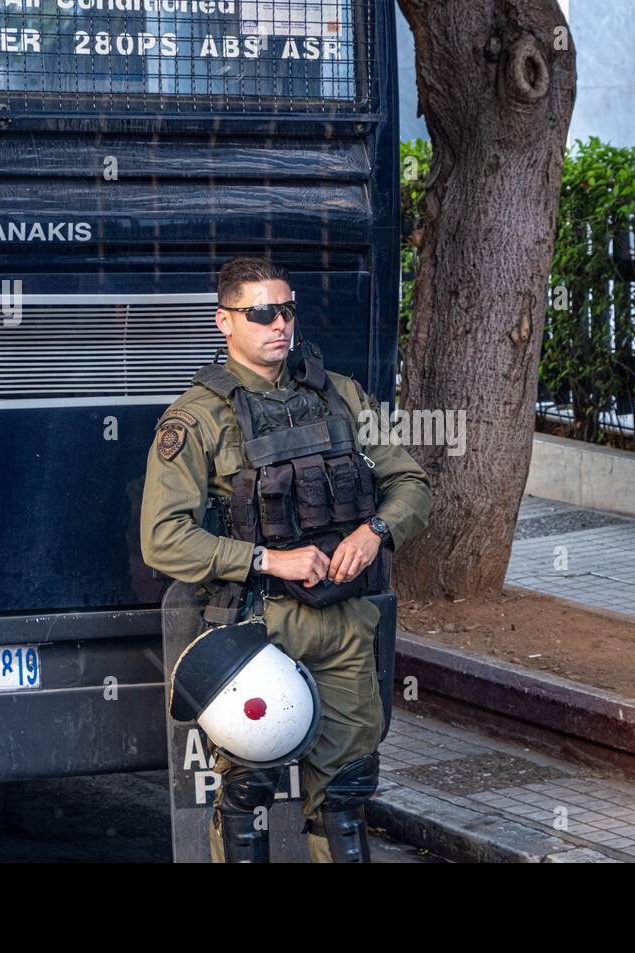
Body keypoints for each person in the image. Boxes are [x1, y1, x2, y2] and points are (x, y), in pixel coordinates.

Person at [140, 256, 433, 862]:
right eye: (262, 312)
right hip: (256, 629)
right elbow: (163, 538)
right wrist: (270, 561)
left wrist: (374, 532)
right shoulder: (198, 418)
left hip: (347, 623)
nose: (280, 324)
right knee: (248, 796)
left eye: (287, 310)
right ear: (225, 320)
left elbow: (412, 484)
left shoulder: (340, 396)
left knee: (348, 796)